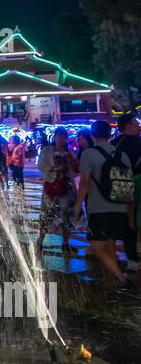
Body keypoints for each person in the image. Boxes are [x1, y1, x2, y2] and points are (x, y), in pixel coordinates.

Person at [75, 119, 134, 288]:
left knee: (96, 247)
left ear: (92, 135)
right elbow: (129, 184)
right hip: (120, 206)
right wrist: (129, 213)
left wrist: (78, 206)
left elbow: (84, 182)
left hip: (98, 208)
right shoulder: (122, 155)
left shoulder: (88, 153)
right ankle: (113, 279)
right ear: (110, 135)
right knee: (110, 245)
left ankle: (121, 277)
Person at [37, 126, 75, 255]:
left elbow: (75, 169)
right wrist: (55, 169)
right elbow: (41, 165)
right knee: (46, 214)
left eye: (64, 137)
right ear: (55, 137)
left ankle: (65, 242)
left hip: (66, 188)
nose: (62, 139)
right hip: (51, 187)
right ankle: (40, 240)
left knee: (66, 215)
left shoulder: (69, 152)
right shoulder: (47, 150)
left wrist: (71, 162)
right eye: (59, 136)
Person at [114, 112, 141, 274]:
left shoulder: (113, 143)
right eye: (136, 123)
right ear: (129, 125)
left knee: (127, 221)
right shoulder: (137, 142)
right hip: (137, 183)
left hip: (119, 185)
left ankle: (131, 258)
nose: (138, 126)